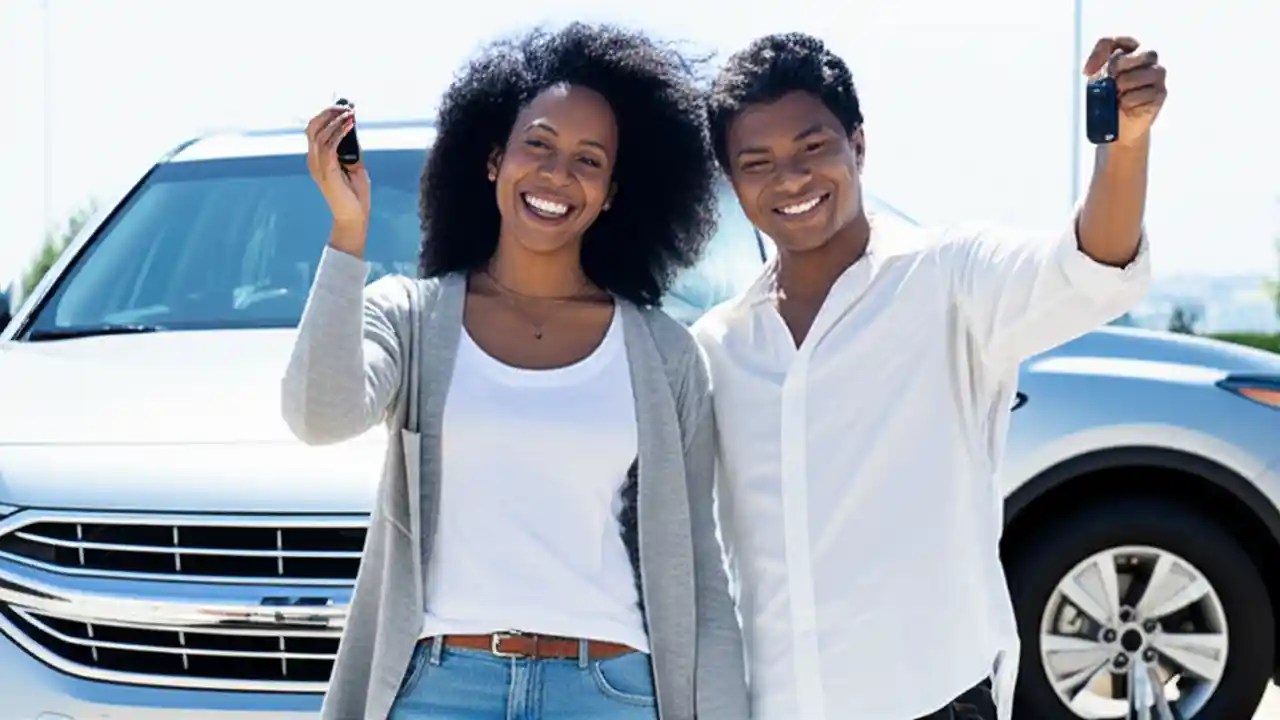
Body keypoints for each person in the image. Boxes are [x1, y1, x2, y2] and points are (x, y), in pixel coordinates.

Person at [282, 23, 748, 720]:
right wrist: (348, 232)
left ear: (613, 192)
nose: (559, 174)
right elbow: (318, 417)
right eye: (539, 144)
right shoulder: (411, 317)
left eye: (589, 160)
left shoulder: (662, 353)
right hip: (440, 689)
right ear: (494, 159)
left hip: (610, 691)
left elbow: (701, 575)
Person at [693, 32, 1165, 720]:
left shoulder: (950, 278)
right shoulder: (719, 345)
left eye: (813, 147)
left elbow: (1091, 266)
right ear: (733, 183)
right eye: (757, 162)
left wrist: (1123, 147)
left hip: (934, 700)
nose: (790, 179)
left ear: (858, 145)